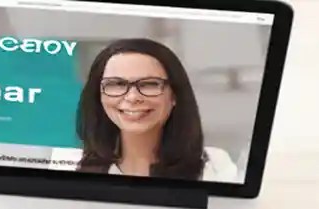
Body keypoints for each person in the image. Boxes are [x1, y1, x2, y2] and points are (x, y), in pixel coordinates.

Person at [75, 38, 238, 182]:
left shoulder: (215, 166)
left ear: (175, 95)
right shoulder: (70, 165)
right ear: (98, 95)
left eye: (149, 84)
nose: (132, 97)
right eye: (117, 84)